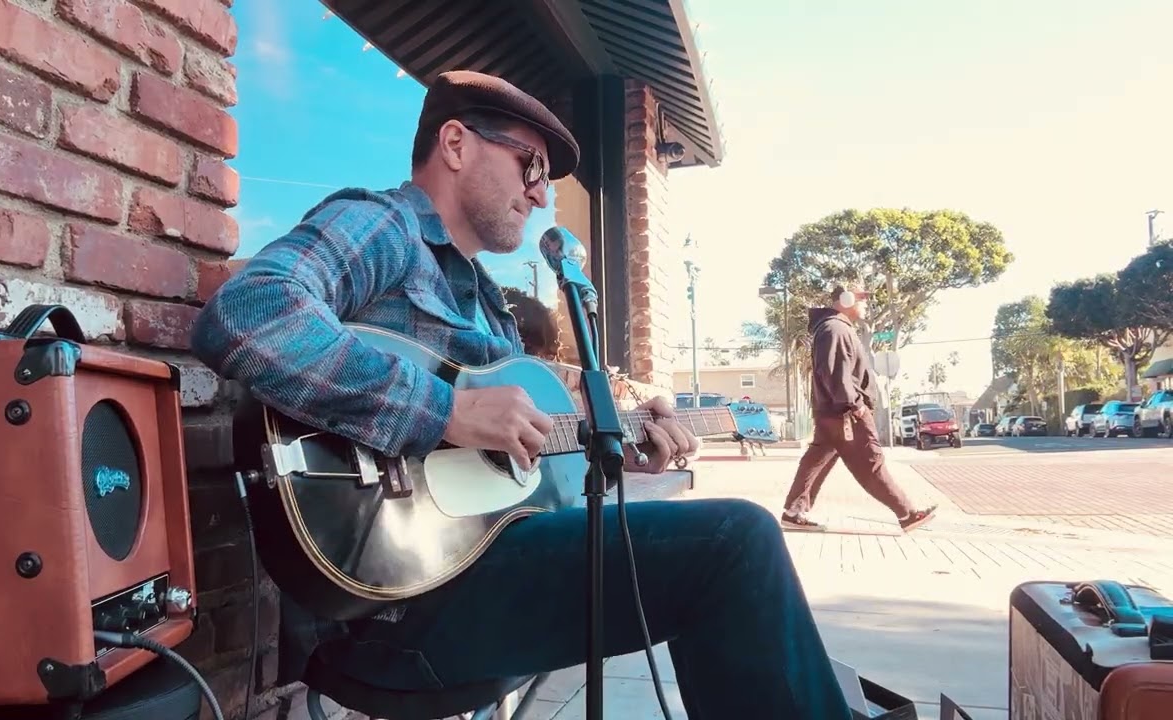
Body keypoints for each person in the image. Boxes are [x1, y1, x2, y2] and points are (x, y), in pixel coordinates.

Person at [191, 70, 852, 719]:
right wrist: (444, 409)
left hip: (474, 564)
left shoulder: (489, 304)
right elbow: (250, 313)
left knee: (713, 555)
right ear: (455, 144)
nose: (540, 196)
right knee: (735, 541)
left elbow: (518, 470)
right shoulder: (383, 226)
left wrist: (613, 441)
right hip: (394, 599)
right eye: (529, 166)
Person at [781, 283, 938, 533]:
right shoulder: (835, 329)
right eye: (862, 298)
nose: (866, 303)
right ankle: (907, 514)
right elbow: (834, 372)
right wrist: (855, 406)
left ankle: (793, 512)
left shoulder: (835, 327)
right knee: (871, 463)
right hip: (846, 414)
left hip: (832, 413)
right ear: (845, 299)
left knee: (816, 459)